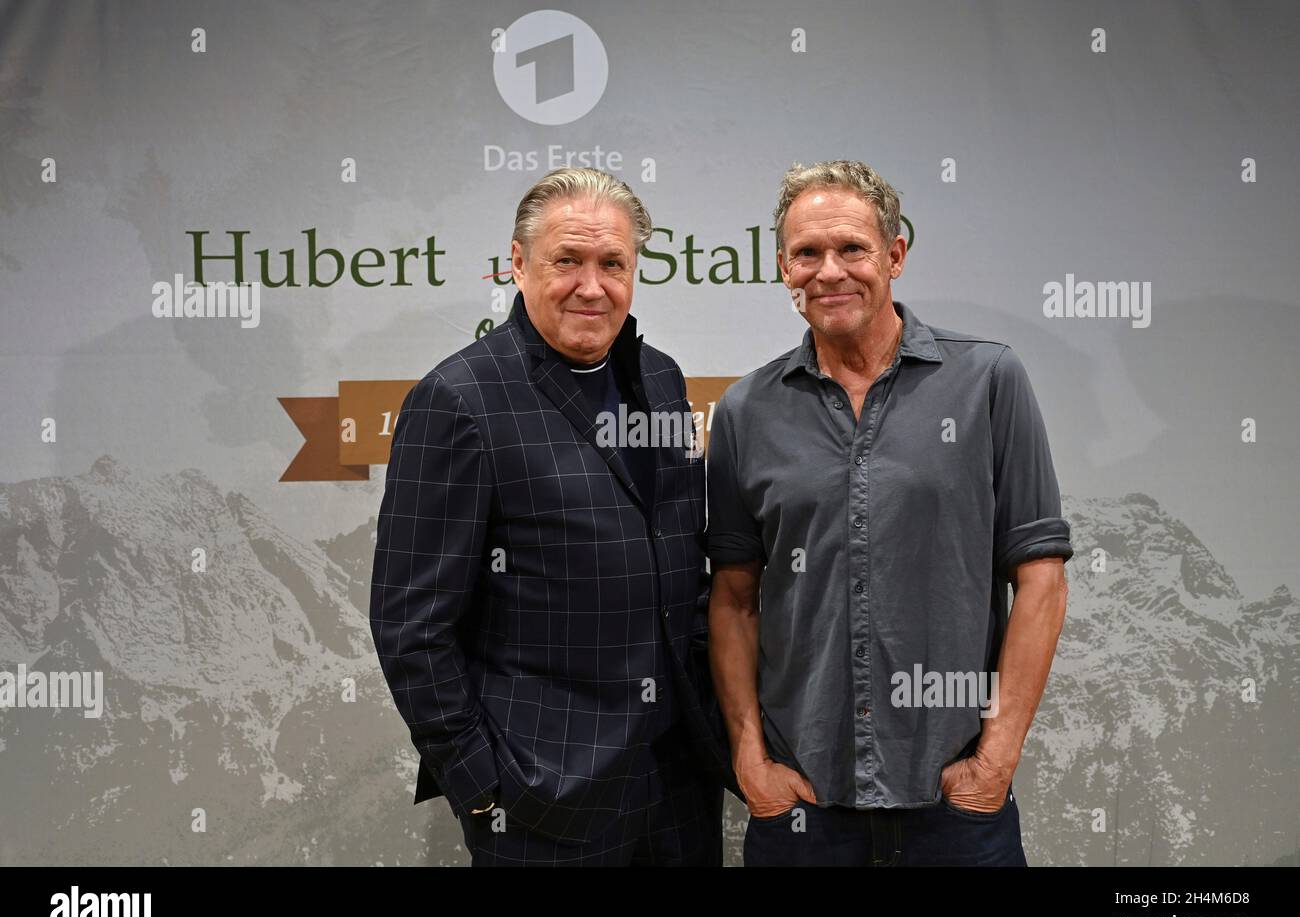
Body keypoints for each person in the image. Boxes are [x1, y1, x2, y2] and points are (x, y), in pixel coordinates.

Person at [707, 160, 1072, 866]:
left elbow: (1042, 581)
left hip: (955, 804)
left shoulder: (988, 381)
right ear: (783, 266)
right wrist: (751, 763)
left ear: (895, 254)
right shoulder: (748, 411)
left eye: (852, 249)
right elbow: (733, 598)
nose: (829, 271)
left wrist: (995, 761)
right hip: (803, 808)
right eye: (807, 253)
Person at [369, 167, 733, 866]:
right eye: (567, 261)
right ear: (517, 262)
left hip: (679, 789)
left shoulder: (661, 378)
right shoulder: (458, 400)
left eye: (612, 264)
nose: (591, 287)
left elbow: (685, 567)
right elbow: (410, 624)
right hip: (542, 799)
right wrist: (482, 787)